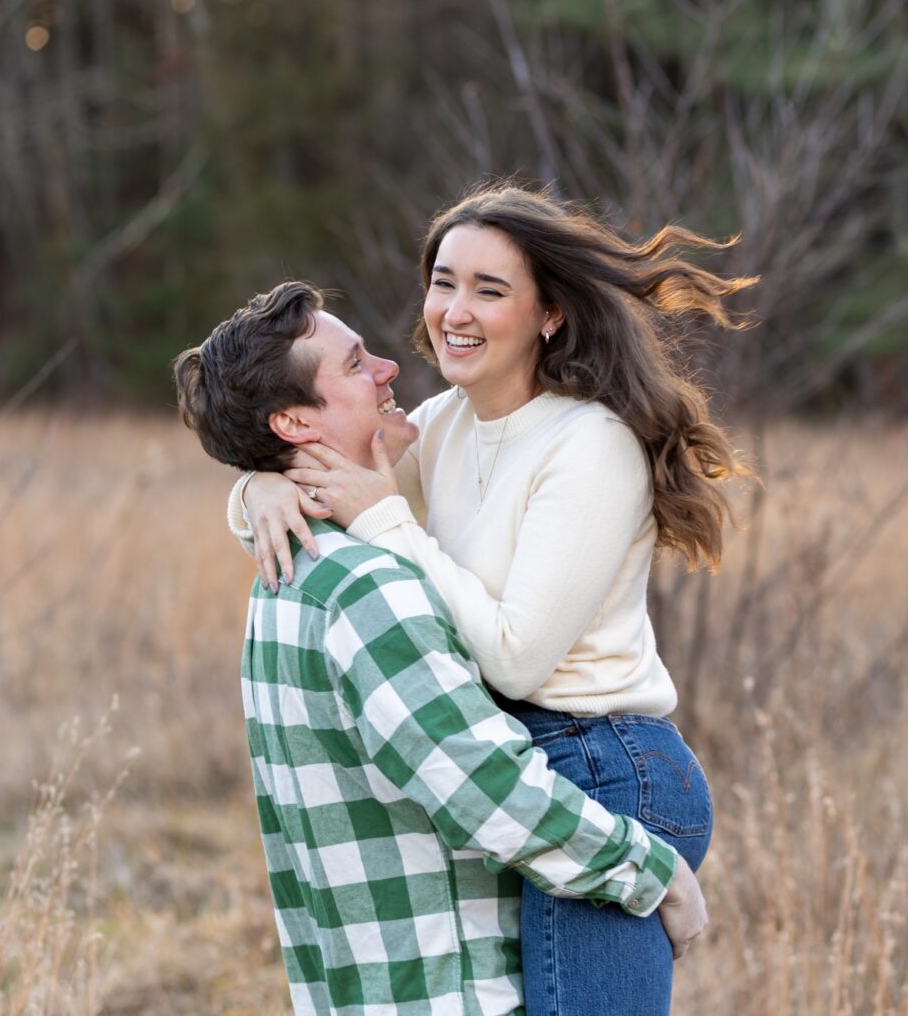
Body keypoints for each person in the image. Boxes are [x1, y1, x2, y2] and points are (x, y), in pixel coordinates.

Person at [234, 183, 752, 1015]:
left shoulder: (591, 445)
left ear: (549, 314)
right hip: (521, 763)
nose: (454, 310)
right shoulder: (442, 425)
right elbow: (325, 471)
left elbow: (516, 654)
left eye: (489, 288)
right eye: (443, 281)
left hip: (606, 765)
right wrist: (256, 489)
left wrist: (389, 519)